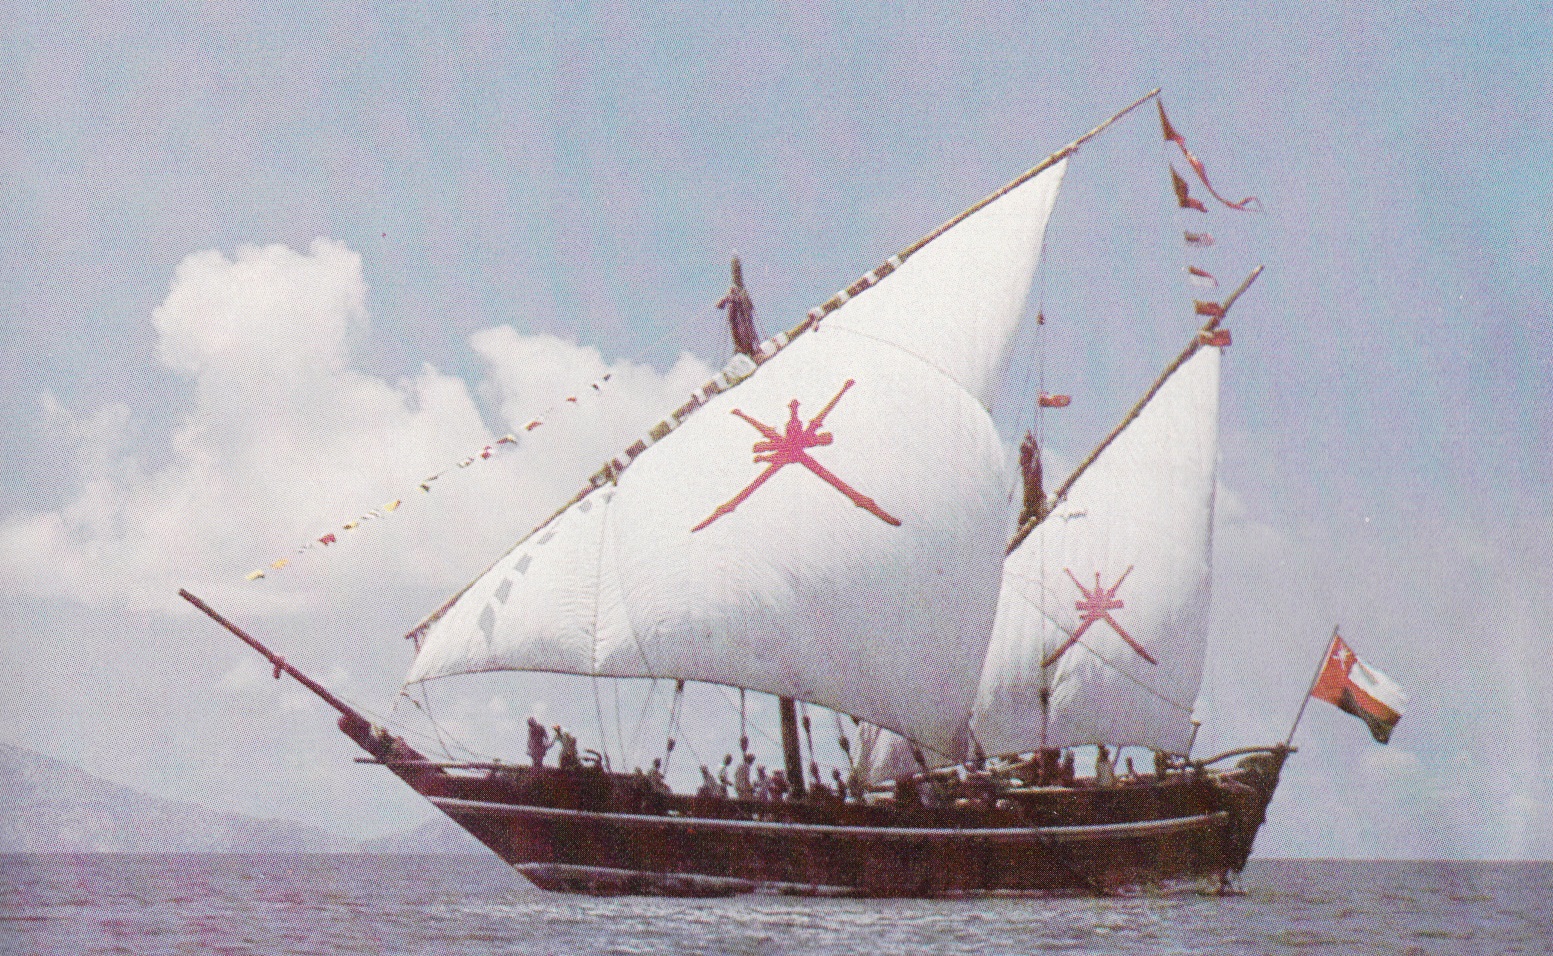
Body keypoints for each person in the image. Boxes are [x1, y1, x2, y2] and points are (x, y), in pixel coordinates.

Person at [718, 256, 759, 357]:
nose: (737, 274)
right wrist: (725, 300)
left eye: (738, 271)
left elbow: (750, 307)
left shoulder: (742, 291)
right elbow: (723, 304)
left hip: (745, 321)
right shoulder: (733, 290)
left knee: (747, 332)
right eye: (735, 272)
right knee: (740, 335)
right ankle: (742, 350)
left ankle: (750, 349)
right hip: (738, 322)